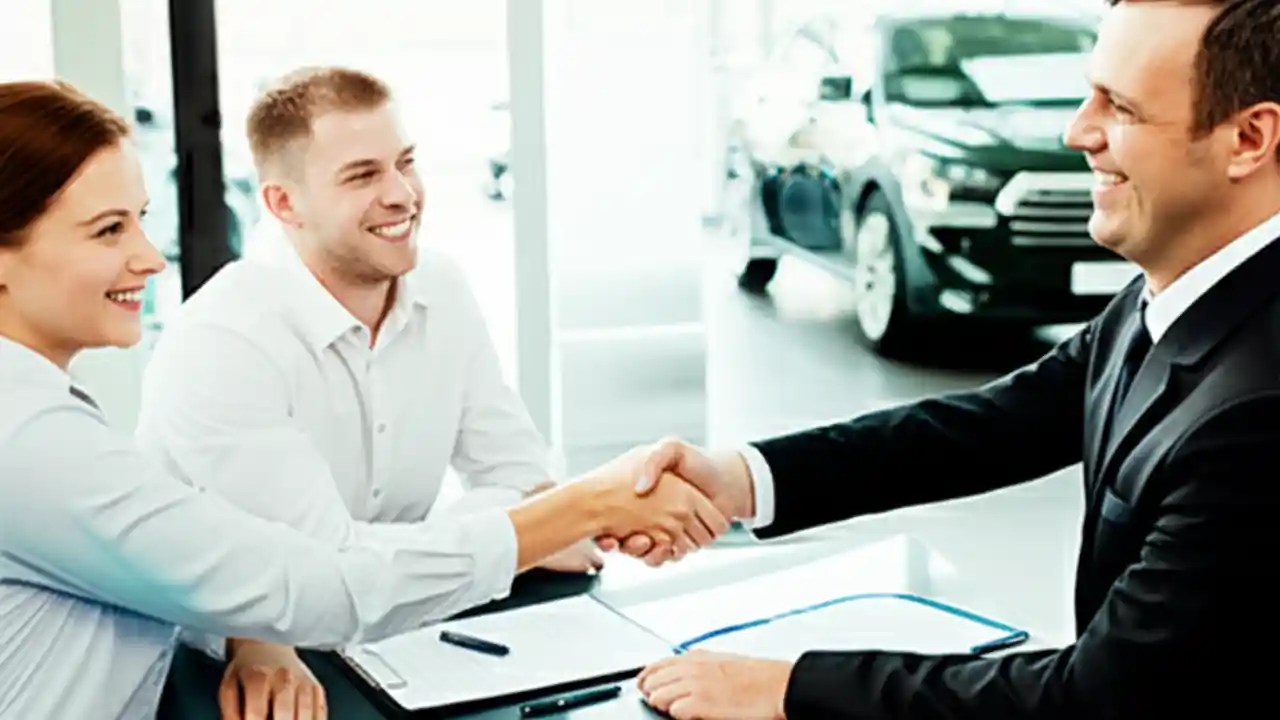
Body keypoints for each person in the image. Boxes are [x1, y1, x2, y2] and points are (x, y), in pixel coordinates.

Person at [624, 1, 1280, 718]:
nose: (1076, 131)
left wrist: (786, 689)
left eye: (1119, 107)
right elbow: (992, 425)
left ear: (1248, 138)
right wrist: (742, 480)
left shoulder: (1258, 409)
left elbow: (1094, 696)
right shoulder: (1182, 292)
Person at [0, 79, 728, 719]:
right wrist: (583, 506)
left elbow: (256, 572)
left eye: (139, 219)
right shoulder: (33, 438)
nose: (152, 258)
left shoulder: (38, 410)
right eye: (109, 230)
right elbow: (321, 584)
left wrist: (539, 516)